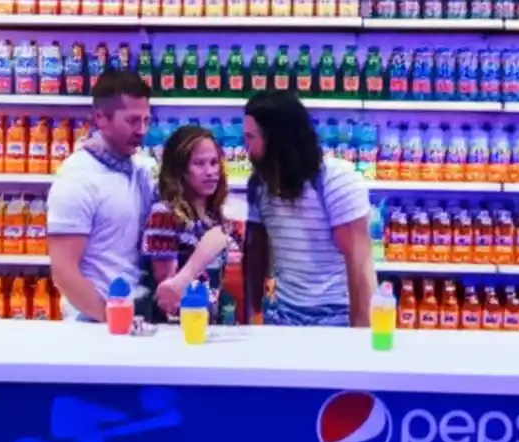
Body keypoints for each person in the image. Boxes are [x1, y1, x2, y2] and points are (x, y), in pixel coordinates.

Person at [241, 90, 376, 327]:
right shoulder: (261, 185)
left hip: (337, 315)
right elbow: (255, 255)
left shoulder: (336, 180)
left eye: (251, 138)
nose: (246, 149)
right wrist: (253, 316)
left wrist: (361, 336)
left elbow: (360, 266)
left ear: (275, 140)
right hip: (283, 314)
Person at [47, 70, 153, 321]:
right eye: (132, 121)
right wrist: (109, 317)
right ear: (101, 119)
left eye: (146, 121)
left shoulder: (142, 168)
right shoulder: (78, 177)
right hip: (92, 318)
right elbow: (63, 270)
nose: (141, 130)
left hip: (137, 310)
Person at [141, 124, 235, 316]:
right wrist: (205, 251)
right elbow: (167, 298)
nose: (210, 172)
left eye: (214, 163)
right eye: (199, 164)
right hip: (177, 332)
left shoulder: (213, 216)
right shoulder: (165, 215)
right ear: (180, 170)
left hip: (209, 324)